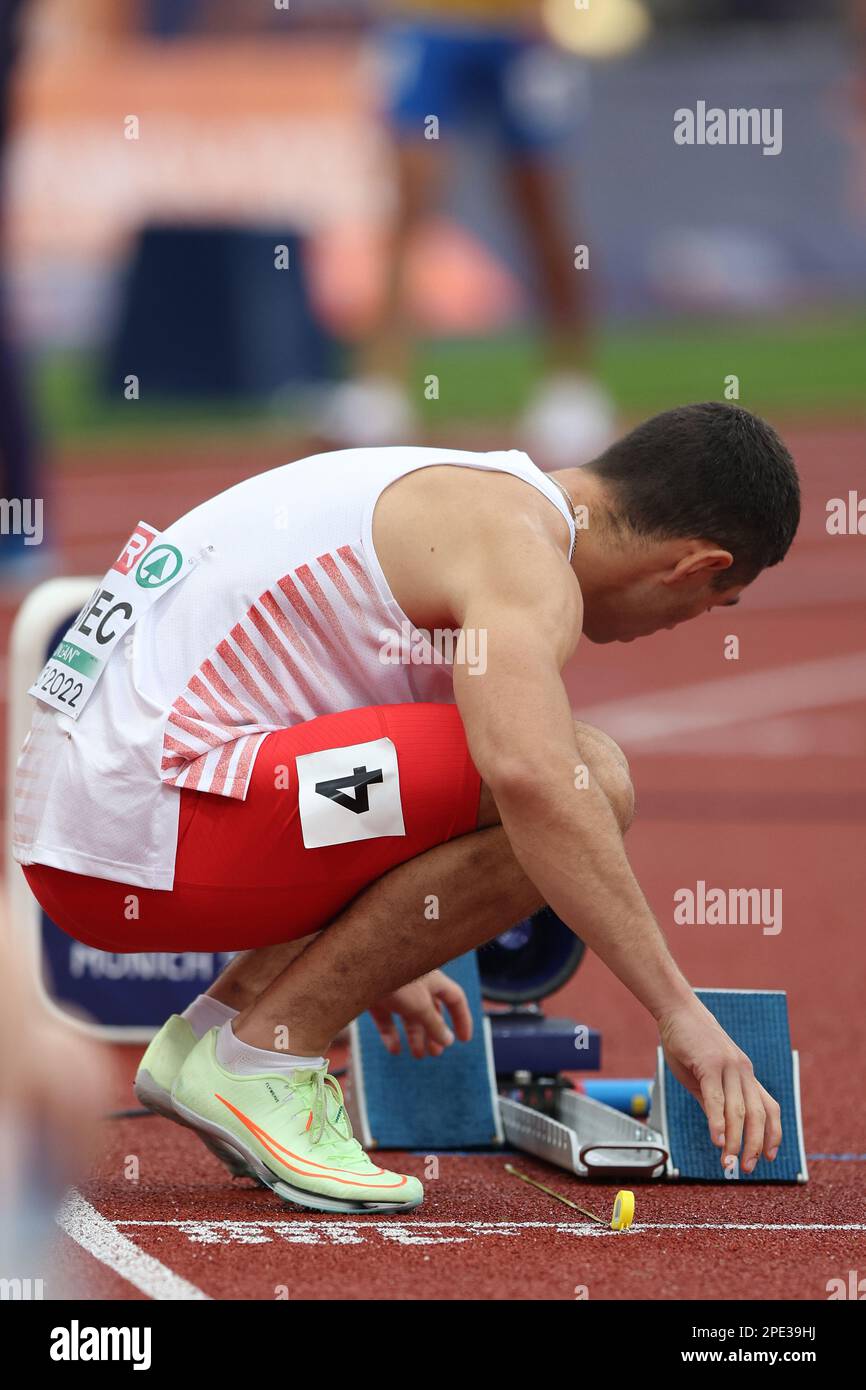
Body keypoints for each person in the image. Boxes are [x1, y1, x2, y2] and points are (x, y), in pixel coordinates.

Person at [13, 402, 799, 1213]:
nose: (684, 626)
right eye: (716, 605)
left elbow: (362, 757)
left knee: (498, 763)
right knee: (589, 775)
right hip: (134, 833)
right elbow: (535, 779)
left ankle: (222, 1031)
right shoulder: (524, 558)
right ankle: (261, 1063)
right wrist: (679, 1013)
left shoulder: (467, 489)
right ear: (696, 566)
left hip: (86, 830)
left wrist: (391, 941)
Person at [322, 0, 614, 464]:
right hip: (427, 24)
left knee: (542, 214)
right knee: (408, 205)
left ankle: (571, 382)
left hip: (516, 28)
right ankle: (381, 386)